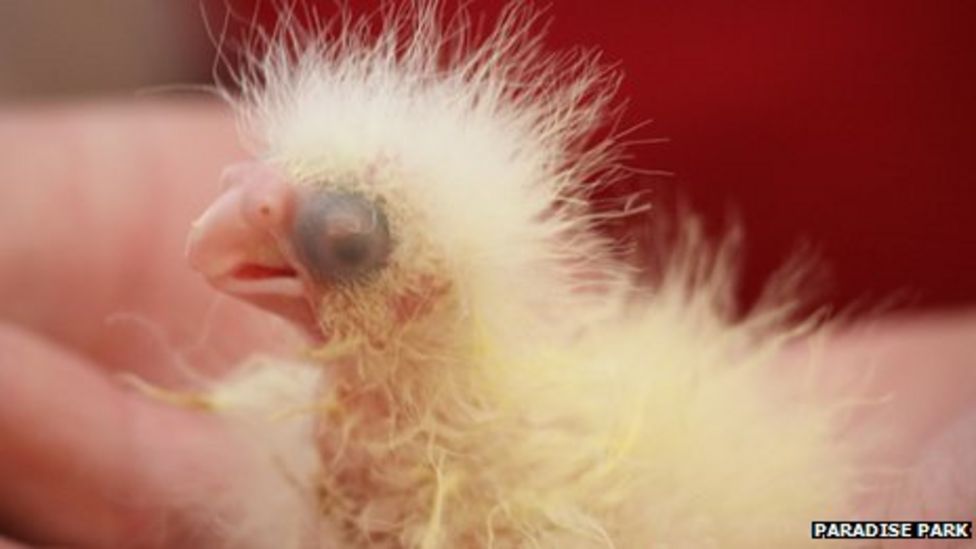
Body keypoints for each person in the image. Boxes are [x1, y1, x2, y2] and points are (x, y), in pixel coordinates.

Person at [0, 102, 973, 548]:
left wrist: (926, 523)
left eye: (346, 241)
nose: (243, 212)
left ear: (424, 293)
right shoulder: (374, 449)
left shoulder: (497, 488)